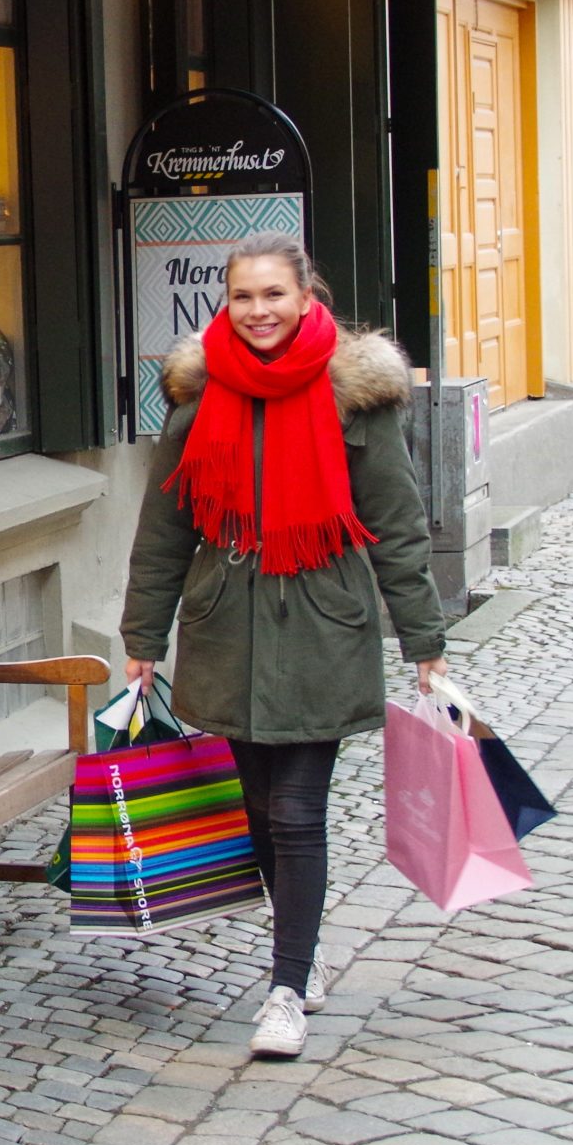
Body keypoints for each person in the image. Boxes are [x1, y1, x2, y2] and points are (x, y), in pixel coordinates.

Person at [119, 231, 448, 1060]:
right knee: (260, 808)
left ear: (307, 297)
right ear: (224, 303)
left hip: (322, 628)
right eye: (243, 297)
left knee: (298, 811)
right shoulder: (195, 405)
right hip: (227, 627)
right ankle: (305, 948)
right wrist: (142, 636)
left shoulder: (356, 401)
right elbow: (165, 529)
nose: (259, 311)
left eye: (274, 295)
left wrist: (424, 642)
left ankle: (285, 988)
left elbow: (398, 528)